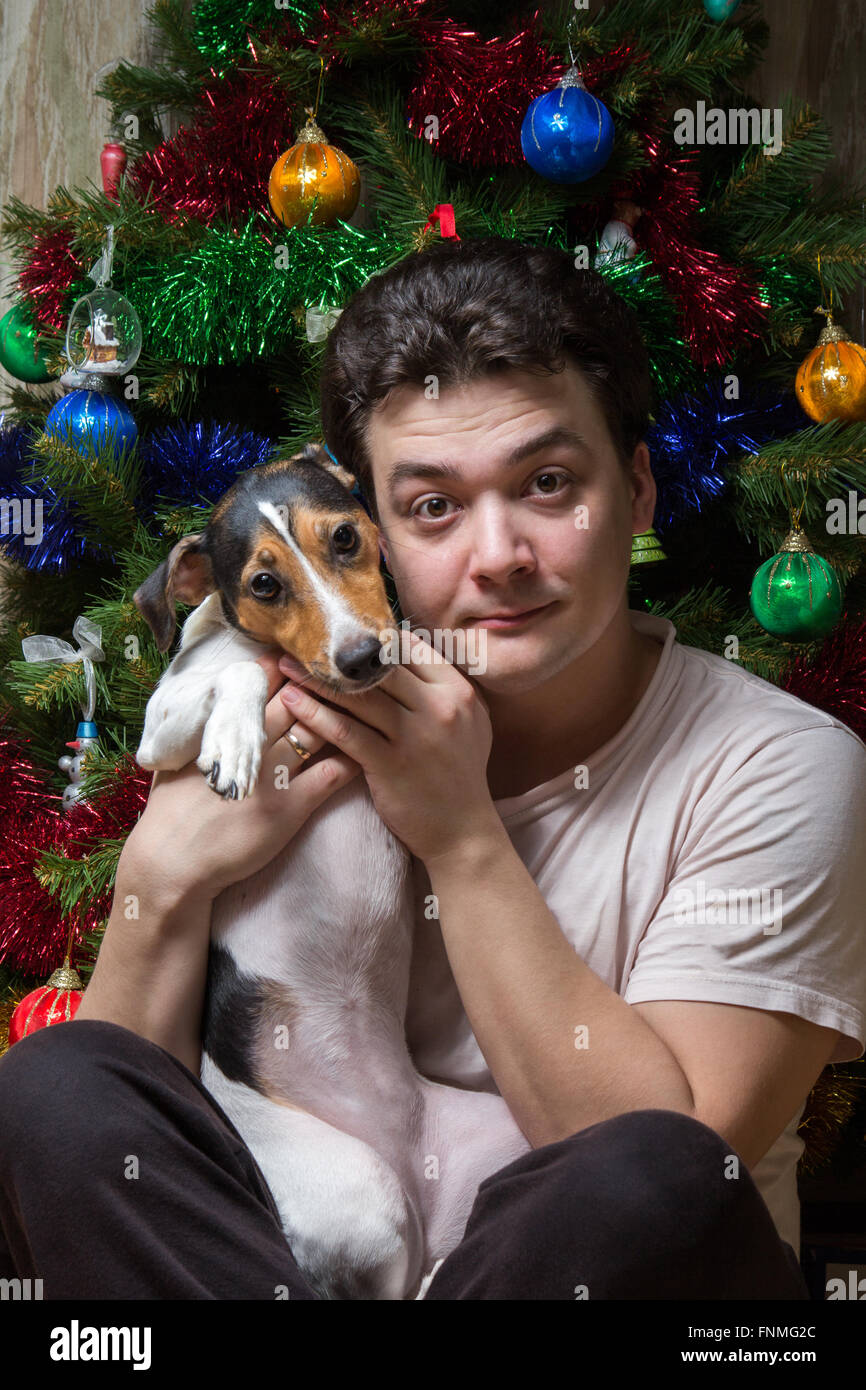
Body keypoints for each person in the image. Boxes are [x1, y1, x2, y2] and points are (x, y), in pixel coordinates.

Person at [2, 237, 863, 1301]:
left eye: (546, 483)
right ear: (363, 533)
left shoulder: (779, 769)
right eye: (431, 507)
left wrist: (458, 834)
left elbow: (665, 1192)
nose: (496, 552)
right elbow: (128, 1136)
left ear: (635, 493)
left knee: (651, 1163)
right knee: (53, 1086)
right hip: (296, 1248)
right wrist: (160, 879)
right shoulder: (274, 703)